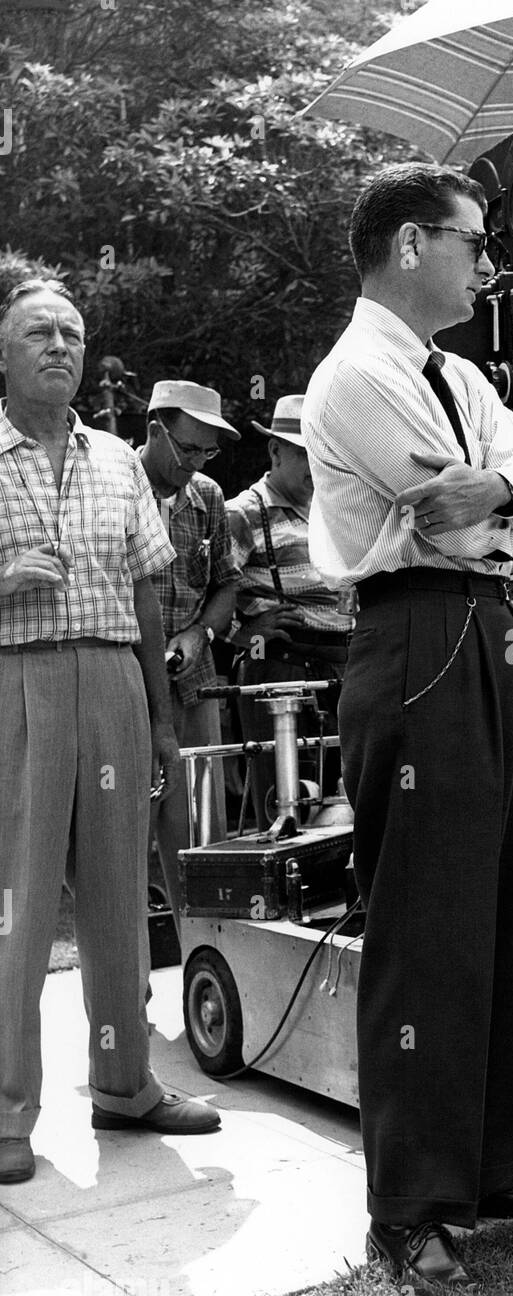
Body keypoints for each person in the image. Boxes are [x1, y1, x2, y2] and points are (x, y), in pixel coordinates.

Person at [303, 163, 513, 1291]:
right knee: (426, 925)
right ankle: (409, 1201)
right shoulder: (353, 374)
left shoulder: (454, 371)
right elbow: (445, 523)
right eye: (471, 240)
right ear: (411, 244)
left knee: (507, 898)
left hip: (485, 629)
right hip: (416, 633)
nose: (485, 262)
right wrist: (503, 502)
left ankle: (492, 1157)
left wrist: (504, 493)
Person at [0, 280, 219, 1185]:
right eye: (38, 332)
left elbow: (146, 591)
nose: (59, 345)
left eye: (73, 334)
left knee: (120, 894)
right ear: (4, 352)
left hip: (118, 684)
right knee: (19, 907)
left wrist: (161, 718)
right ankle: (8, 1112)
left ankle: (125, 1086)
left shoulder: (120, 462)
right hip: (16, 682)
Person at [139, 381, 241, 935]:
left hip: (194, 686)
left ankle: (204, 976)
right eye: (188, 448)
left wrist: (200, 632)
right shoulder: (117, 486)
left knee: (201, 839)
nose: (197, 462)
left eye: (208, 451)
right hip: (130, 687)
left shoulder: (209, 498)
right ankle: (131, 1004)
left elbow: (228, 585)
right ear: (155, 430)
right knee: (125, 841)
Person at [225, 395, 353, 830]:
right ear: (275, 451)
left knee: (344, 799)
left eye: (322, 454)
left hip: (342, 669)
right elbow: (203, 593)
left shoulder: (333, 511)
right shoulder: (243, 514)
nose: (313, 467)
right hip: (279, 670)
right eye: (302, 454)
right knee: (285, 802)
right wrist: (243, 633)